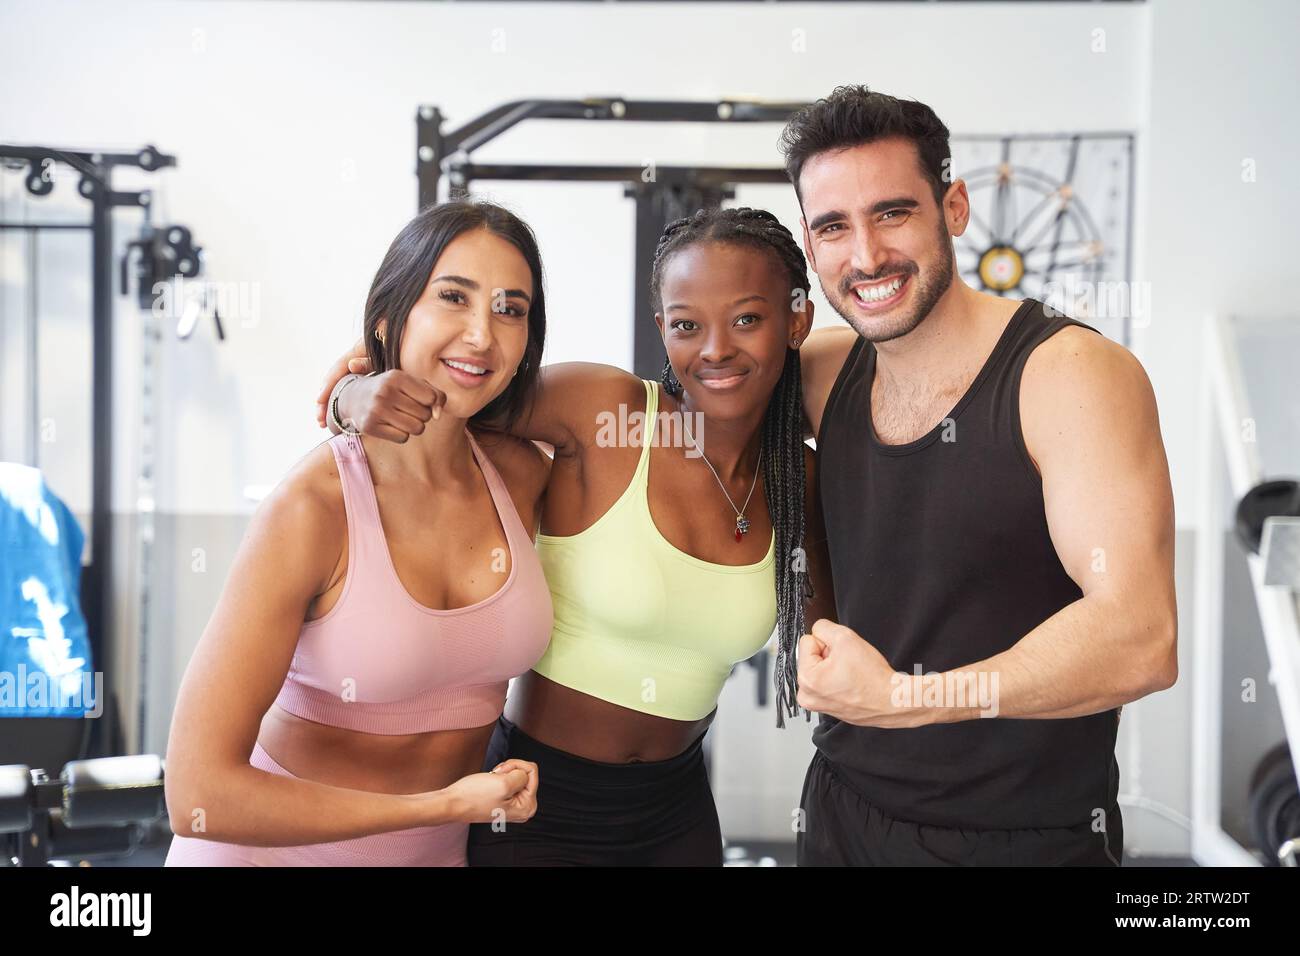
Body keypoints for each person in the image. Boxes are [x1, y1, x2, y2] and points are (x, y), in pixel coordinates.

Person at [317, 206, 836, 866]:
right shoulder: (604, 410)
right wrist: (351, 396)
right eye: (686, 325)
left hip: (676, 813)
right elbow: (452, 394)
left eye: (747, 319)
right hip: (534, 803)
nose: (714, 349)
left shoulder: (799, 478)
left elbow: (831, 653)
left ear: (796, 321)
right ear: (662, 330)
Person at [788, 86, 1178, 865]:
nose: (865, 257)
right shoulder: (823, 374)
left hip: (1023, 840)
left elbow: (1141, 637)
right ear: (810, 242)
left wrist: (907, 701)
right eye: (835, 226)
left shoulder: (1068, 375)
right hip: (841, 813)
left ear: (954, 207)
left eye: (893, 213)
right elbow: (675, 414)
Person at [164, 200, 555, 866]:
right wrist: (443, 807)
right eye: (452, 298)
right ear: (387, 317)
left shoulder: (522, 475)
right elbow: (198, 793)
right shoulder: (312, 508)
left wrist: (352, 389)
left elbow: (637, 407)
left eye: (509, 309)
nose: (483, 335)